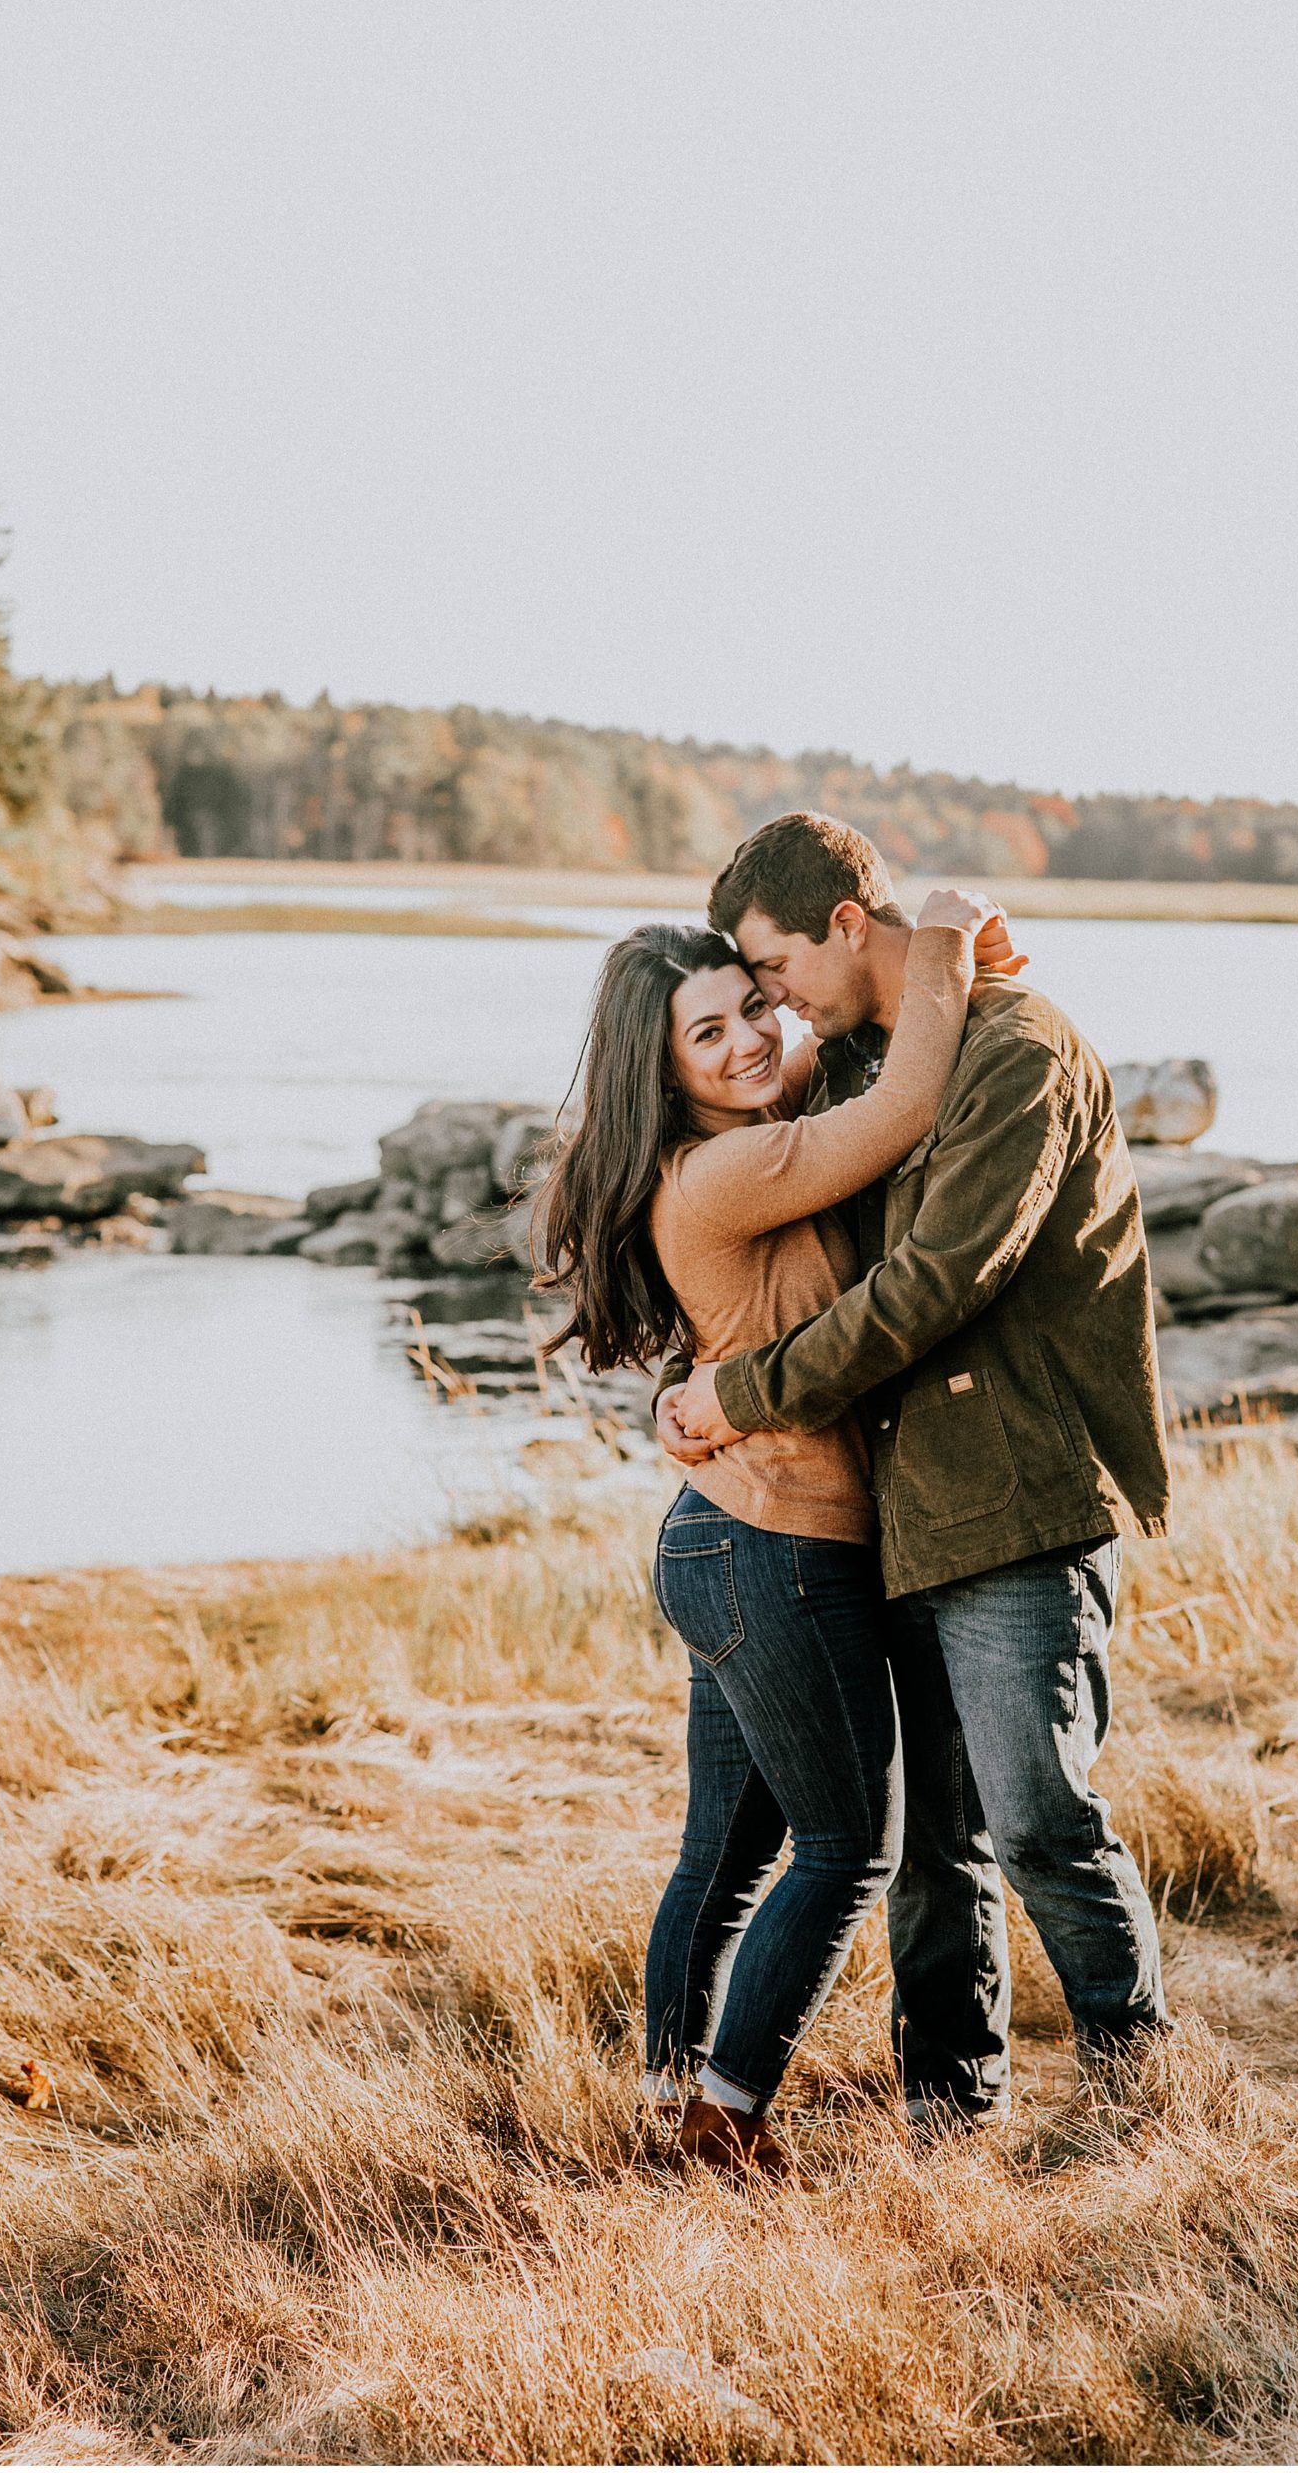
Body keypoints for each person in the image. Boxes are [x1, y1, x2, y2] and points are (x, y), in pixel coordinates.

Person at [659, 812, 1174, 2131]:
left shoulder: (1017, 1050)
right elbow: (776, 1224)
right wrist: (696, 1368)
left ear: (846, 923)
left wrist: (740, 1394)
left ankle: (1138, 2103)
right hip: (896, 1515)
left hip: (1014, 1501)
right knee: (932, 1849)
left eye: (778, 970)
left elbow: (938, 1281)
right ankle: (950, 2107)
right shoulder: (875, 1060)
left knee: (1041, 1821)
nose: (775, 1004)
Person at [533, 884, 1012, 2178]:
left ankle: (665, 2099)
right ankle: (724, 2125)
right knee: (850, 1850)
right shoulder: (733, 1168)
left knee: (728, 1854)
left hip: (721, 1537)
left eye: (754, 1006)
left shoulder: (734, 1141)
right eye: (709, 1034)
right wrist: (946, 942)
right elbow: (904, 1106)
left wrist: (857, 991)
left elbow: (831, 1064)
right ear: (662, 1070)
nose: (749, 1039)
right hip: (775, 1550)